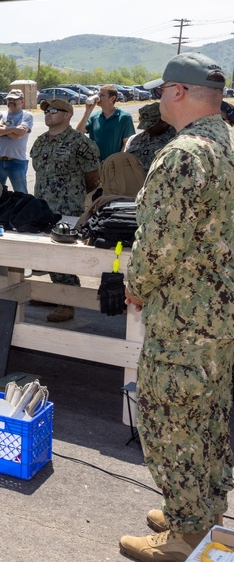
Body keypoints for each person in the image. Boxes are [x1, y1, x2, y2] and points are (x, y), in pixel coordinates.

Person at [121, 53, 234, 561]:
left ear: (180, 93)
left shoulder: (184, 153)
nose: (158, 97)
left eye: (162, 89)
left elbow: (159, 245)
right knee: (207, 415)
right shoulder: (225, 146)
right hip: (219, 315)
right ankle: (204, 511)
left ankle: (185, 536)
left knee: (172, 420)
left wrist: (136, 285)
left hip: (185, 319)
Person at [29, 98, 100, 323]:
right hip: (42, 206)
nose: (47, 114)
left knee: (63, 255)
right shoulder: (40, 142)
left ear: (68, 115)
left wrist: (73, 193)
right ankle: (56, 293)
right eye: (46, 111)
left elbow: (93, 177)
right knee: (47, 254)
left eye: (53, 111)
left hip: (68, 207)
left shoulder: (80, 142)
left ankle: (68, 301)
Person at [0, 89, 33, 193]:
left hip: (17, 161)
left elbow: (19, 135)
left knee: (21, 195)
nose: (11, 101)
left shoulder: (26, 116)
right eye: (9, 99)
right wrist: (12, 129)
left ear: (22, 101)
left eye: (15, 99)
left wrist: (2, 127)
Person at [76, 84, 135, 162]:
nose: (98, 97)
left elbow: (127, 143)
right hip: (95, 164)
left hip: (114, 164)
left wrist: (118, 161)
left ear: (112, 98)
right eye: (98, 94)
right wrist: (88, 111)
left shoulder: (124, 117)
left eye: (102, 95)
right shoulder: (94, 117)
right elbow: (78, 133)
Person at [124, 102, 177, 172]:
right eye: (145, 126)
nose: (147, 129)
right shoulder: (137, 139)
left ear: (164, 121)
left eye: (151, 125)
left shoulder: (176, 140)